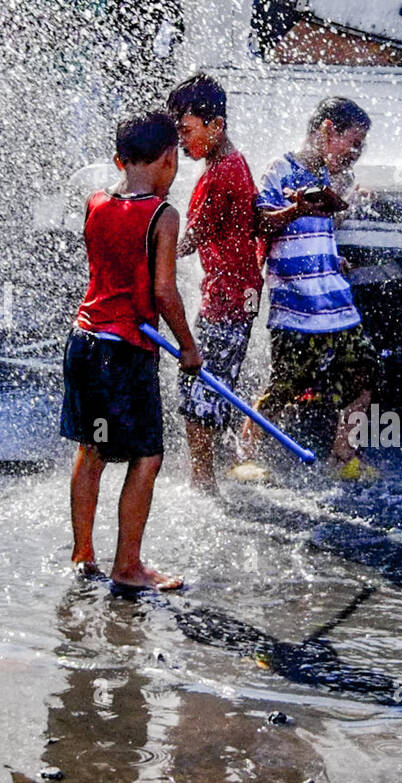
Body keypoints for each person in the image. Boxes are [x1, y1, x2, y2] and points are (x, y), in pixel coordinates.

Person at [60, 111, 203, 590]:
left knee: (94, 448)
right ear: (169, 159)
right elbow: (164, 292)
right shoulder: (163, 216)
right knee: (146, 457)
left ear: (120, 159)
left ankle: (83, 553)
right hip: (124, 353)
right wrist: (188, 348)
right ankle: (128, 567)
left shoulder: (95, 203)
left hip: (84, 344)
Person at [253, 96, 380, 477]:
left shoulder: (326, 178)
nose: (357, 153)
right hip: (296, 305)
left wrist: (332, 256)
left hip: (335, 305)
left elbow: (319, 230)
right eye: (353, 143)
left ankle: (344, 458)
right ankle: (248, 454)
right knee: (285, 386)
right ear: (327, 130)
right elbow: (261, 225)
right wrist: (298, 209)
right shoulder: (281, 169)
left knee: (365, 375)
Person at [166, 73, 264, 492]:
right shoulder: (233, 162)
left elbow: (192, 239)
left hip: (225, 297)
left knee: (198, 385)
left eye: (186, 131)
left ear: (215, 125)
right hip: (240, 294)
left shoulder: (219, 174)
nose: (181, 142)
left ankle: (202, 480)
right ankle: (212, 472)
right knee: (218, 383)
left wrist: (149, 247)